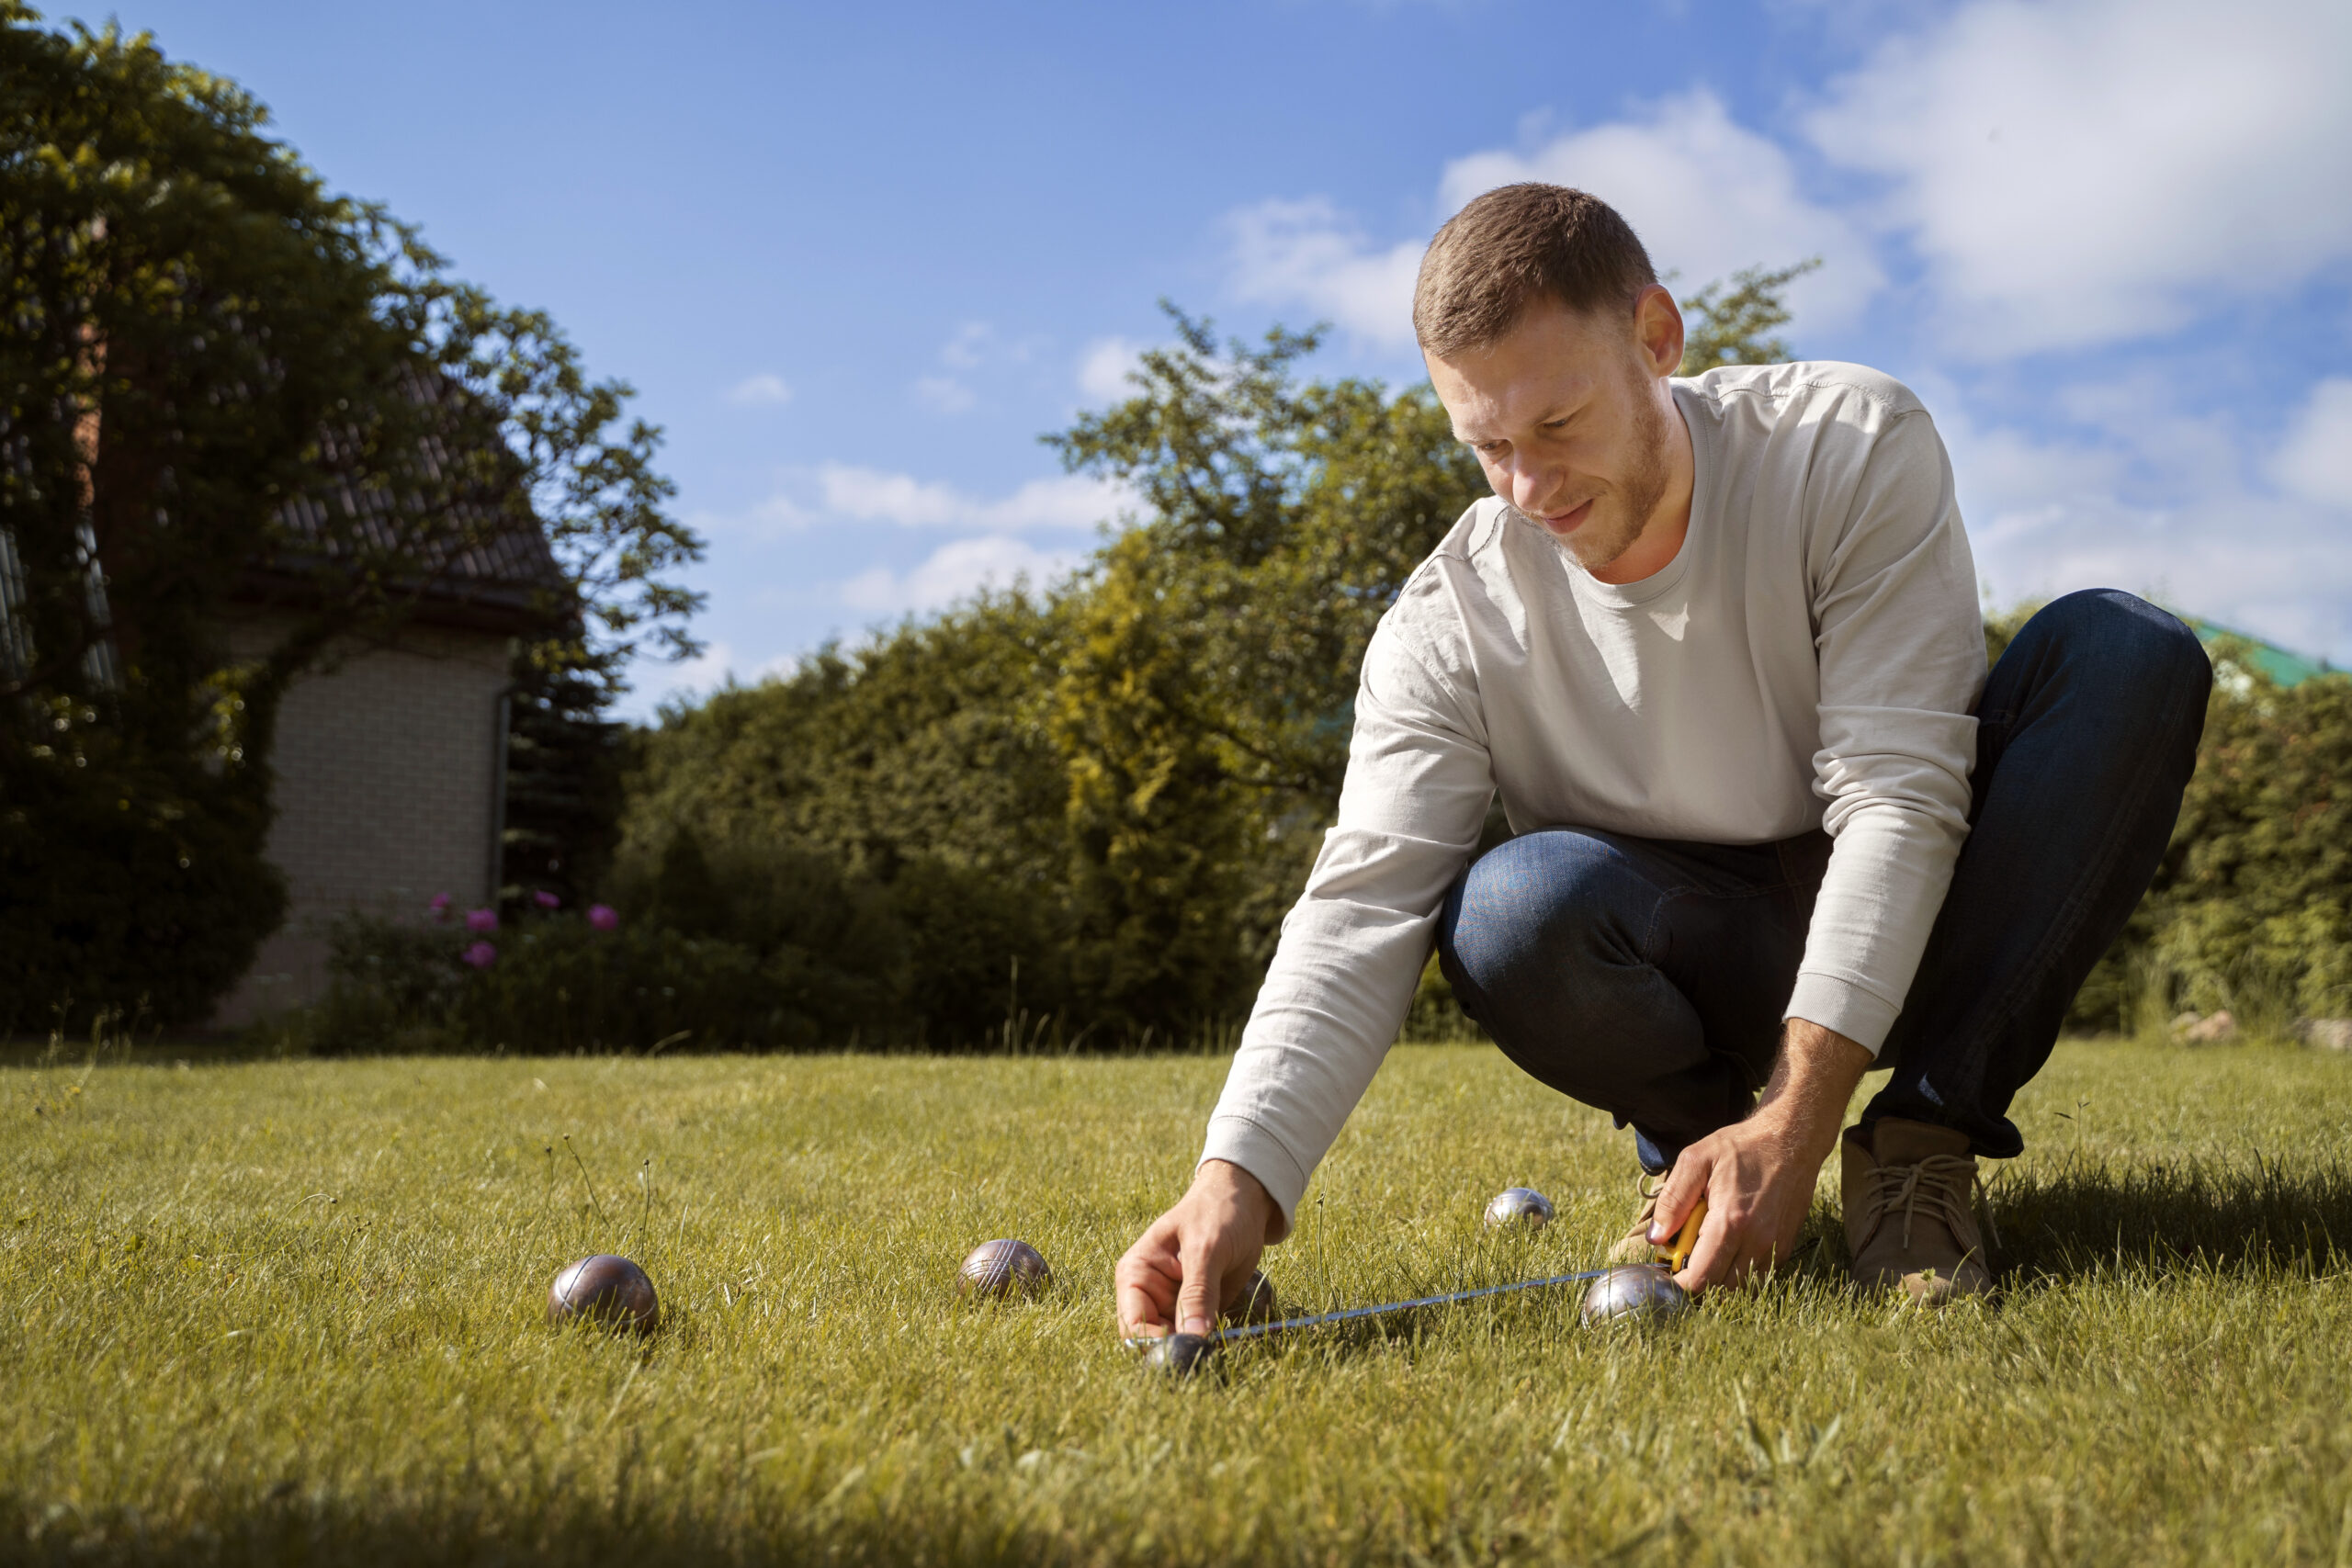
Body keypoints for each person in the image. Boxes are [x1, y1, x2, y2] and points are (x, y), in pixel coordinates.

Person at [1114, 183, 2211, 1337]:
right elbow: (1361, 899)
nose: (1527, 490)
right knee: (1510, 906)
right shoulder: (1447, 620)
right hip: (1703, 946)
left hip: (1933, 911)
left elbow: (1898, 796)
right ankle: (1693, 1157)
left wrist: (1798, 1125)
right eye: (1486, 446)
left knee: (2125, 652)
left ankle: (1918, 1142)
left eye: (1555, 426)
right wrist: (1238, 1176)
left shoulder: (1847, 443)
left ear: (1656, 339)